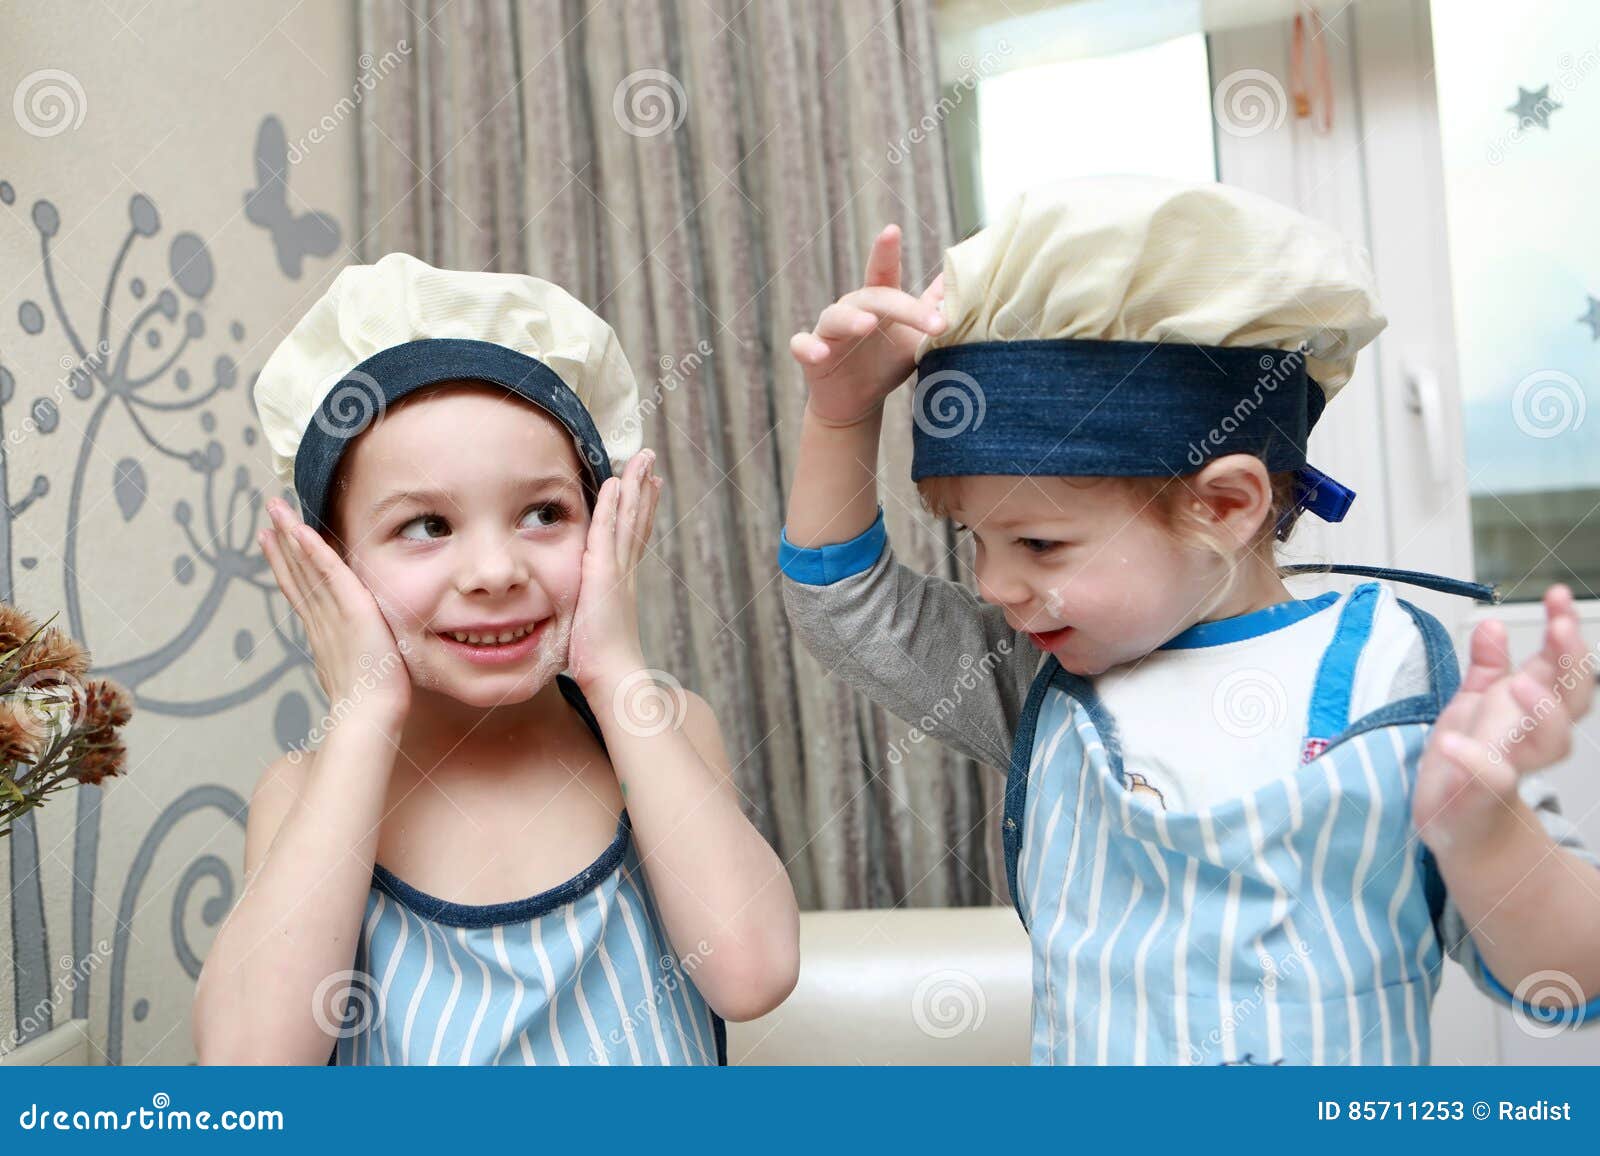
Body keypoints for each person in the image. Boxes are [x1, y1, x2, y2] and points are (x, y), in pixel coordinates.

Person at [779, 176, 1599, 1064]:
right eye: (975, 539)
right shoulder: (1038, 688)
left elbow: (1567, 986)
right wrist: (843, 415)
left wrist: (1483, 827)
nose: (995, 586)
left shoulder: (1401, 685)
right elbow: (843, 604)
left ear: (1228, 506)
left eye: (1041, 544)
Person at [194, 253, 798, 1065]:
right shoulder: (308, 792)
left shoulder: (660, 730)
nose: (495, 572)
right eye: (426, 526)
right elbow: (251, 1070)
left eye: (544, 513)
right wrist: (363, 709)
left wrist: (615, 669)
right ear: (328, 563)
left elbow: (752, 974)